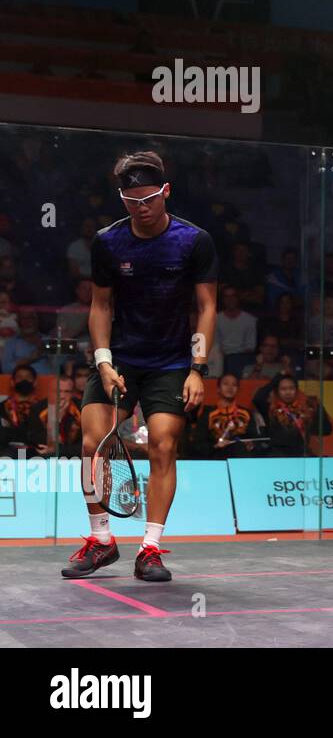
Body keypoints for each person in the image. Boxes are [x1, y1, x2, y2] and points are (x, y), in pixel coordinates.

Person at [63, 150, 218, 582]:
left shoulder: (194, 241)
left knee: (164, 445)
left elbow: (207, 307)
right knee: (92, 445)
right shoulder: (108, 241)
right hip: (121, 360)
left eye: (148, 198)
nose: (141, 208)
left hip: (171, 363)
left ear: (165, 191)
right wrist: (104, 360)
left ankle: (149, 549)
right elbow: (100, 305)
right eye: (131, 201)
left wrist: (198, 367)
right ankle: (101, 541)